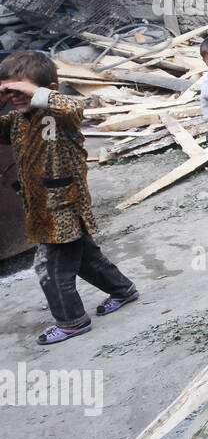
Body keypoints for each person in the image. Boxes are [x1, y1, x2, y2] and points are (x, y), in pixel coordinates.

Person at [0, 51, 139, 345]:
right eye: (10, 91)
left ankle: (72, 321)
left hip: (62, 206)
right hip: (40, 207)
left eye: (22, 90)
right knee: (86, 259)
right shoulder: (16, 120)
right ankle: (123, 290)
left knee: (49, 268)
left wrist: (33, 92)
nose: (16, 97)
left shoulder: (60, 115)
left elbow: (75, 107)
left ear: (48, 90)